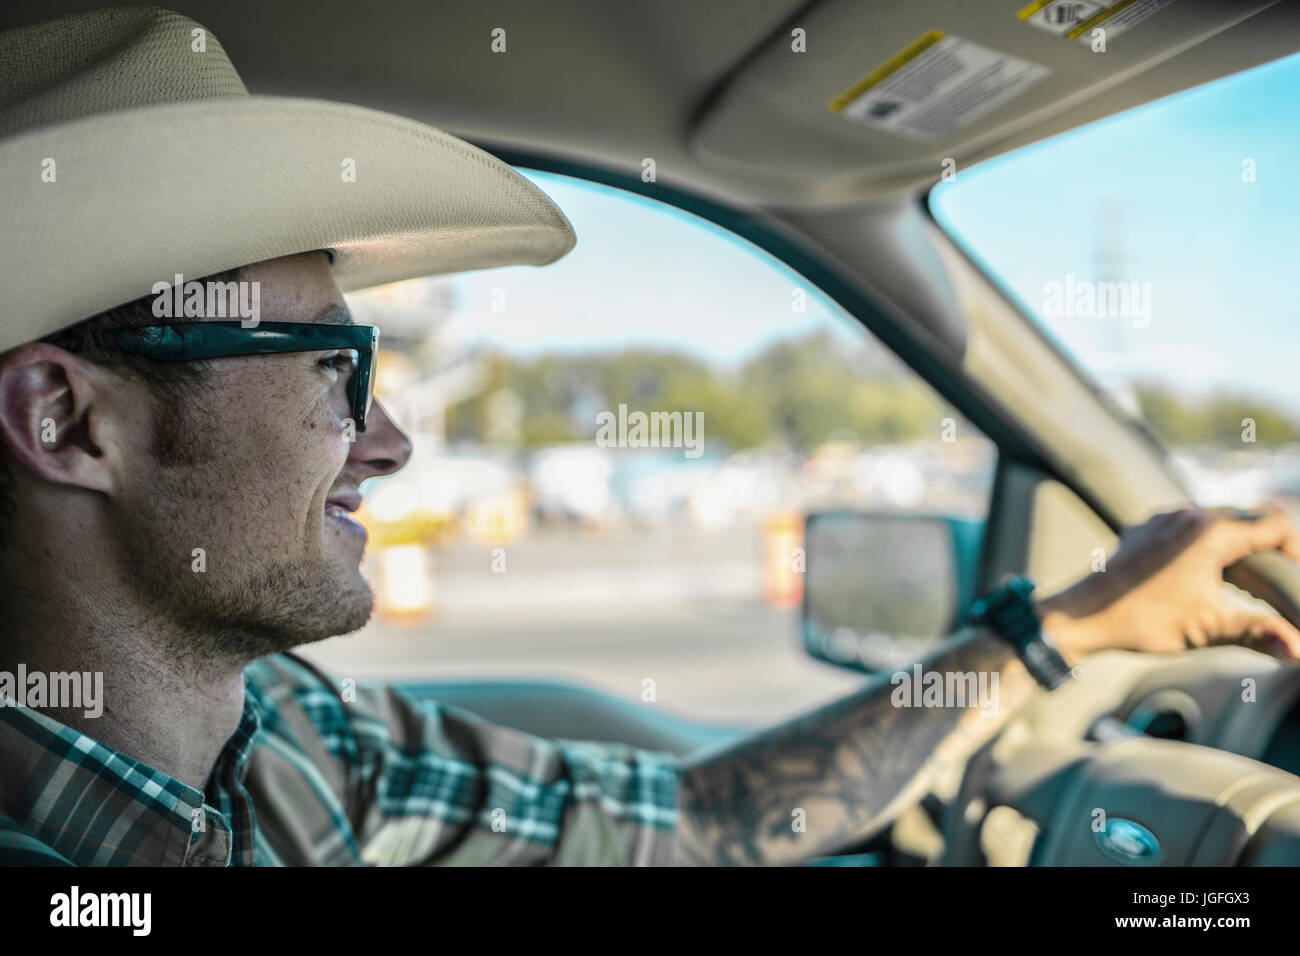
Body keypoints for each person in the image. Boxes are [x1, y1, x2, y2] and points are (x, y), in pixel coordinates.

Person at [1, 7, 1297, 867]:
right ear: (67, 419)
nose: (388, 442)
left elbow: (694, 822)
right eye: (336, 370)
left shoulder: (293, 738)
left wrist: (1059, 629)